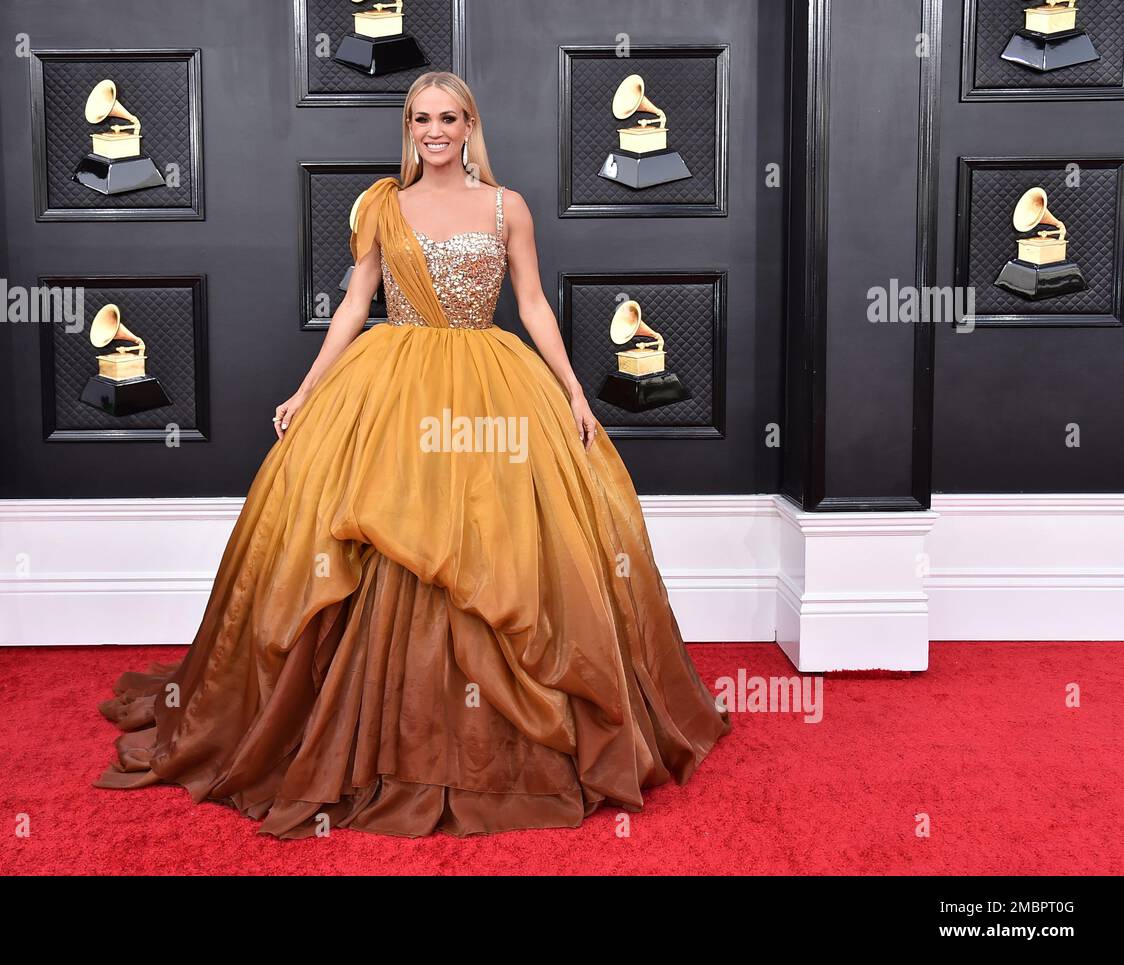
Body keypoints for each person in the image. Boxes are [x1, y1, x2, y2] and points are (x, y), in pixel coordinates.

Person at [93, 70, 730, 838]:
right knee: (377, 533)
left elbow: (530, 302)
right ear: (410, 126)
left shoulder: (508, 207)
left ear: (469, 126)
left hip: (491, 380)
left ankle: (490, 743)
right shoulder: (382, 206)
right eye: (422, 117)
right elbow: (355, 305)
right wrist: (305, 389)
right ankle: (367, 733)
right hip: (389, 383)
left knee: (494, 541)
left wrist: (571, 390)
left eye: (449, 117)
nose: (435, 130)